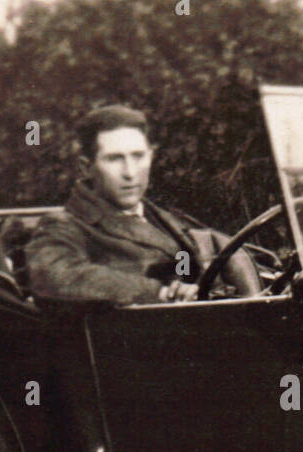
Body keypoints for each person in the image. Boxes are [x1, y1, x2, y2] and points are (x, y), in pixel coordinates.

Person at [25, 103, 204, 305]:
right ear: (86, 167)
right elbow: (55, 277)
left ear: (151, 157)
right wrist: (159, 293)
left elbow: (189, 266)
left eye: (138, 156)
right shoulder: (63, 226)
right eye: (114, 159)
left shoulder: (165, 218)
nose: (130, 172)